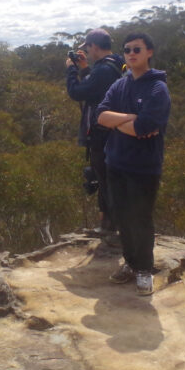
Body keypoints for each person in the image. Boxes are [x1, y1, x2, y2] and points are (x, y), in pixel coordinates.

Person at [96, 32, 171, 296]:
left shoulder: (157, 88)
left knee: (141, 219)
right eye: (127, 49)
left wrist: (125, 124)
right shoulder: (120, 85)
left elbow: (145, 127)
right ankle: (129, 262)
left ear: (149, 52)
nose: (131, 53)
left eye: (137, 49)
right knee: (122, 217)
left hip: (144, 167)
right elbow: (101, 116)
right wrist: (130, 119)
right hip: (115, 163)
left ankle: (144, 269)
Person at [65, 28, 124, 235]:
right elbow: (96, 88)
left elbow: (77, 92)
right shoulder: (116, 64)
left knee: (105, 179)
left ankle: (114, 229)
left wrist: (71, 70)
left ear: (95, 46)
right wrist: (84, 68)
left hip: (101, 133)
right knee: (103, 178)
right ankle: (108, 225)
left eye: (87, 48)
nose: (87, 52)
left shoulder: (103, 70)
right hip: (113, 131)